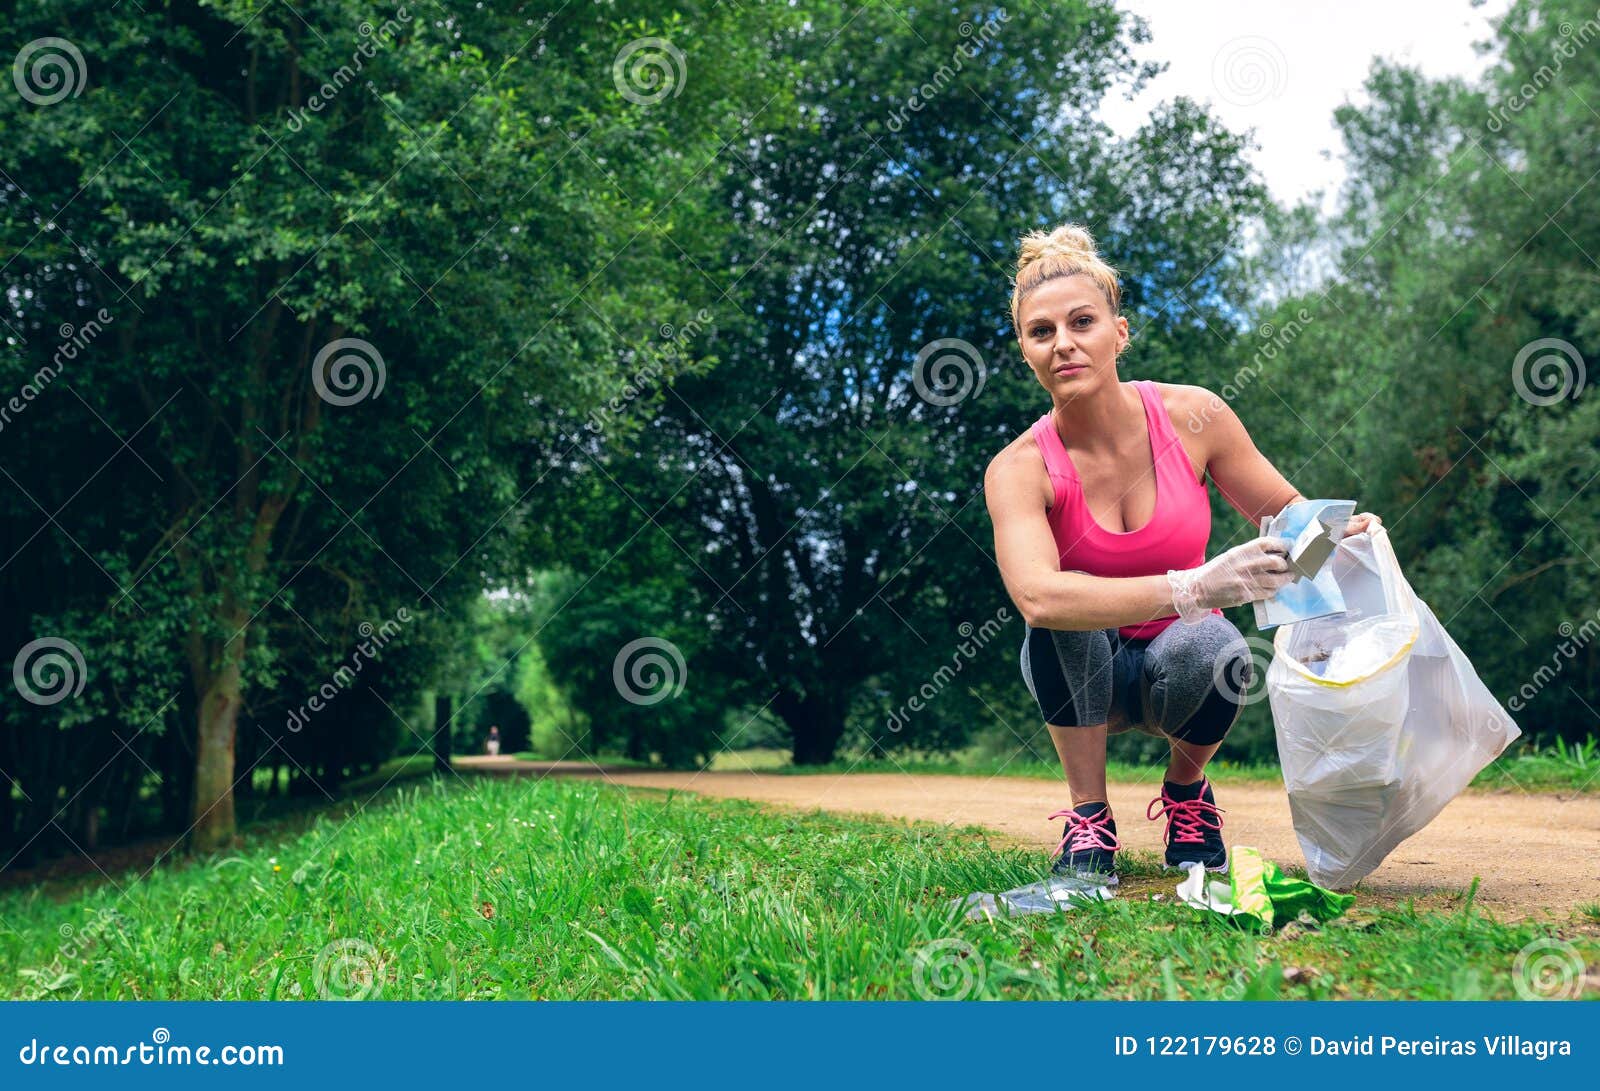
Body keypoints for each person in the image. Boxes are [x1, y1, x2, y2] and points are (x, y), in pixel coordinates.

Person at [982, 223, 1381, 884]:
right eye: (1041, 331)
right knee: (1057, 615)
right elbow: (1036, 595)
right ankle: (1090, 820)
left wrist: (1338, 539)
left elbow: (1287, 521)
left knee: (1218, 646)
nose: (1064, 344)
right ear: (1024, 349)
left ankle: (1186, 792)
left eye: (1082, 321)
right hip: (1086, 674)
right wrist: (1194, 586)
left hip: (1181, 667)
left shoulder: (1196, 417)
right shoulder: (1017, 468)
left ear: (1121, 331)